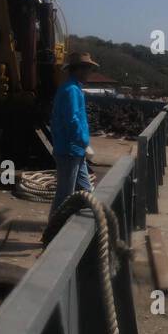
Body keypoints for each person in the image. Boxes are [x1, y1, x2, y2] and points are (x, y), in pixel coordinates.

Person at [50, 51, 98, 217]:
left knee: (86, 190)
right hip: (70, 150)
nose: (89, 73)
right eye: (87, 69)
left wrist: (82, 143)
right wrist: (82, 140)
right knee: (65, 195)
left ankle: (88, 229)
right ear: (77, 69)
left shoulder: (73, 89)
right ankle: (53, 232)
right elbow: (72, 120)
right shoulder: (71, 90)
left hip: (76, 149)